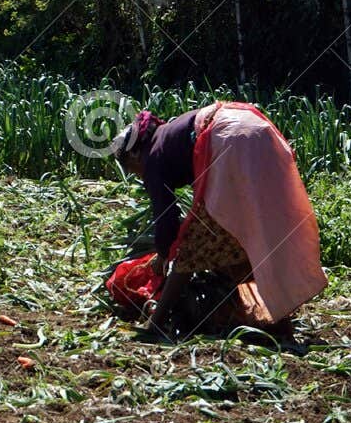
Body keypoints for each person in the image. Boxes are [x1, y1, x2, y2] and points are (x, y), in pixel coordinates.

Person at [113, 102, 327, 336]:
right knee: (243, 235)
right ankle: (278, 315)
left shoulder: (152, 157)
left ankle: (155, 325)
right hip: (258, 131)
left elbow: (166, 218)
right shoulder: (167, 136)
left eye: (132, 168)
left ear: (134, 153)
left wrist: (163, 257)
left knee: (194, 247)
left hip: (230, 143)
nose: (138, 174)